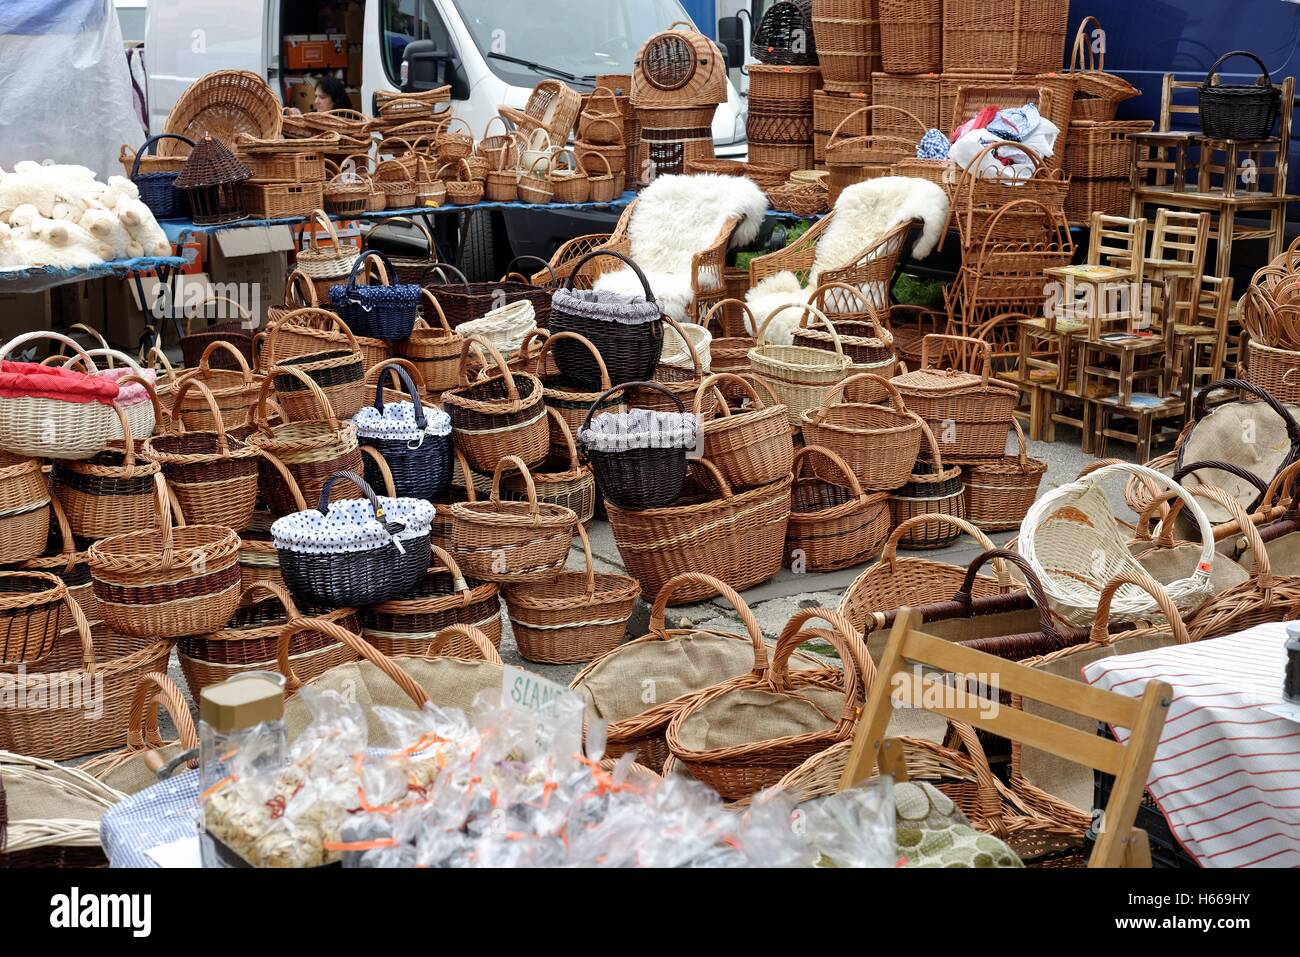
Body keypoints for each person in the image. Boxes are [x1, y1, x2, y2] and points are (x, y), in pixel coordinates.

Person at [286, 75, 352, 115]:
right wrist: (296, 114)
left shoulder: (348, 120)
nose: (316, 102)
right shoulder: (315, 115)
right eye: (316, 96)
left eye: (322, 97)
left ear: (336, 99)